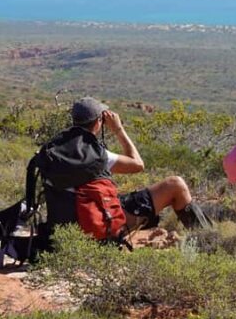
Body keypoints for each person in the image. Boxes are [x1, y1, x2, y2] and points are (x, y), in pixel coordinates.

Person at [69, 97, 207, 229]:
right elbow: (138, 164)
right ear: (99, 121)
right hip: (102, 221)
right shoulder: (98, 155)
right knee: (176, 185)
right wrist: (118, 130)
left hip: (69, 223)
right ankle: (206, 238)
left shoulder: (53, 152)